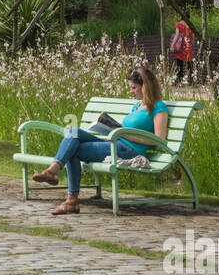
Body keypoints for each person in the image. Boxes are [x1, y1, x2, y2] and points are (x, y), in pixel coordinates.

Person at [31, 66, 170, 215]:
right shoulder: (137, 106)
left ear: (145, 86)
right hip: (115, 142)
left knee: (74, 150)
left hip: (130, 151)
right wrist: (111, 129)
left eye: (134, 87)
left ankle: (70, 198)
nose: (131, 91)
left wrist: (121, 134)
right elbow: (125, 130)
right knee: (73, 132)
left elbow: (159, 139)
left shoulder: (158, 107)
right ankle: (54, 173)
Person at [170, 19, 195, 85]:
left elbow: (177, 35)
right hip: (188, 47)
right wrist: (190, 44)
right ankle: (190, 81)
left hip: (180, 47)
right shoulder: (190, 25)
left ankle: (178, 80)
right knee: (190, 65)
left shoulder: (178, 25)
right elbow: (193, 38)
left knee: (179, 64)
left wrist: (172, 45)